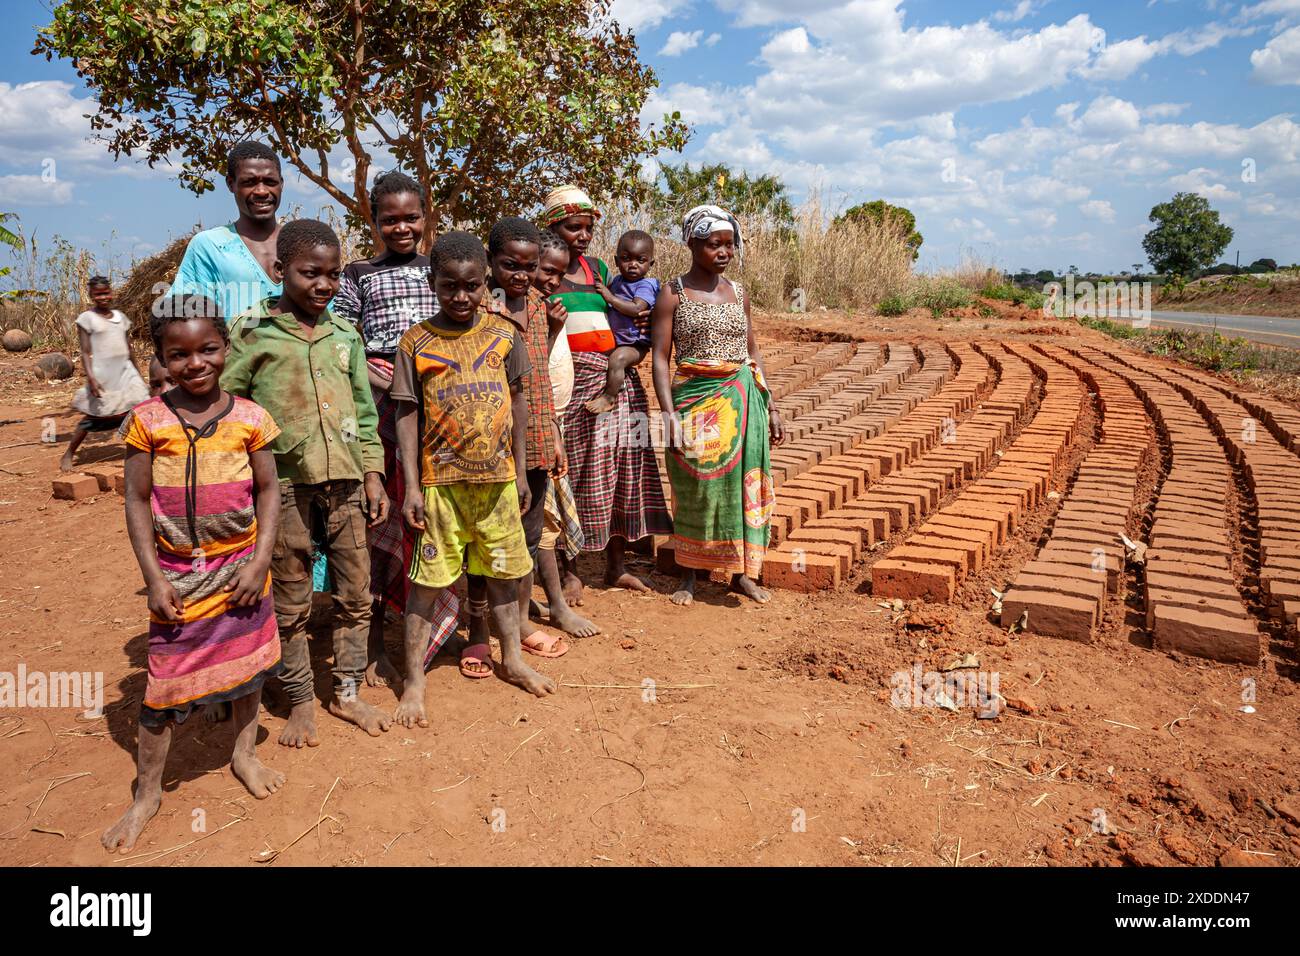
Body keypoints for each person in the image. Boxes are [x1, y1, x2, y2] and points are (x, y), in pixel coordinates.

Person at [102, 295, 283, 854]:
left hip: (241, 572)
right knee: (162, 691)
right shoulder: (147, 422)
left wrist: (259, 562)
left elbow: (270, 491)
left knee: (249, 672)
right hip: (179, 578)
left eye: (208, 349)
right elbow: (135, 501)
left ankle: (243, 754)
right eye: (178, 354)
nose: (195, 363)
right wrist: (154, 579)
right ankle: (147, 793)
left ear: (226, 348)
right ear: (158, 358)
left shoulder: (250, 418)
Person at [222, 219, 391, 747]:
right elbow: (230, 411)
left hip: (345, 485)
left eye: (333, 274)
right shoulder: (253, 332)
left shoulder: (345, 336)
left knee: (355, 592)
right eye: (309, 273)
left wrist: (374, 475)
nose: (323, 284)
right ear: (279, 271)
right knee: (291, 601)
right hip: (284, 489)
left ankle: (345, 691)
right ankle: (298, 699)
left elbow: (365, 414)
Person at [392, 231, 555, 723]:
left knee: (506, 576)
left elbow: (520, 402)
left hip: (501, 483)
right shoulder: (415, 341)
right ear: (432, 282)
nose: (460, 297)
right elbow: (405, 414)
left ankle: (514, 659)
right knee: (427, 584)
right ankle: (415, 682)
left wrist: (522, 469)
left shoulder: (505, 335)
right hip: (440, 486)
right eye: (448, 287)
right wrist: (413, 486)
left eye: (471, 286)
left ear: (485, 283)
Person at [331, 170, 455, 688]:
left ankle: (437, 630)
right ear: (374, 221)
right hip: (380, 407)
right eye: (389, 219)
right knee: (380, 518)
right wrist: (377, 376)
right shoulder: (359, 272)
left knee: (435, 514)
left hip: (442, 407)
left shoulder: (441, 268)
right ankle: (378, 637)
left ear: (427, 218)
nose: (401, 228)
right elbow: (342, 337)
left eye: (411, 218)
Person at [650, 204, 784, 607]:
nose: (724, 252)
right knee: (697, 485)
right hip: (695, 400)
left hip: (743, 398)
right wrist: (669, 414)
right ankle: (690, 572)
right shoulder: (672, 293)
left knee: (745, 484)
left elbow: (752, 350)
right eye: (714, 244)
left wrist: (771, 404)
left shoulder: (738, 293)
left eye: (729, 245)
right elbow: (659, 357)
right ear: (692, 244)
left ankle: (743, 573)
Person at [540, 185, 672, 593]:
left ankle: (616, 566)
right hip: (571, 383)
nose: (581, 235)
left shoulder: (599, 270)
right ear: (552, 227)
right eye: (572, 227)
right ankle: (570, 570)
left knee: (622, 473)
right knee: (575, 474)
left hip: (615, 380)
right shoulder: (543, 273)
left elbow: (633, 318)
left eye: (587, 227)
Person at [464, 217, 576, 659]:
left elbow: (537, 380)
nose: (522, 274)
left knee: (527, 537)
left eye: (530, 267)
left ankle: (522, 622)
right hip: (485, 445)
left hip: (533, 442)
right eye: (511, 264)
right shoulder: (475, 306)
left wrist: (552, 437)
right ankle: (477, 628)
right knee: (481, 540)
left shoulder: (536, 304)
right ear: (490, 261)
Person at [529, 230, 598, 636]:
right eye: (545, 270)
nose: (552, 279)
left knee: (543, 521)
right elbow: (532, 365)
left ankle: (546, 603)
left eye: (558, 273)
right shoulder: (525, 311)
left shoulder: (546, 305)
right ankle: (549, 605)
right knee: (539, 523)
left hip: (552, 423)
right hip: (534, 427)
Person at [169, 141, 283, 324]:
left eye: (270, 182)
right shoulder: (209, 246)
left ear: (281, 184)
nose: (262, 191)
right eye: (249, 182)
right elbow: (183, 319)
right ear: (231, 184)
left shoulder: (302, 245)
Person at [61, 276, 149, 471]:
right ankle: (69, 453)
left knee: (137, 411)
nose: (103, 297)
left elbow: (129, 349)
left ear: (111, 293)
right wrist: (91, 378)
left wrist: (139, 375)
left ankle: (136, 453)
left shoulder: (121, 318)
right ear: (92, 295)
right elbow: (84, 351)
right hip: (103, 374)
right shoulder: (87, 319)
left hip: (126, 371)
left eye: (106, 293)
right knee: (95, 416)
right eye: (98, 294)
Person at [586, 229, 656, 414]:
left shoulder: (645, 285)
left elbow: (637, 309)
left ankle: (609, 398)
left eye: (640, 260)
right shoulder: (616, 281)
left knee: (617, 360)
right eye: (626, 259)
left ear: (650, 263)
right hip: (618, 341)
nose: (633, 265)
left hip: (635, 344)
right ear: (616, 261)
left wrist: (610, 298)